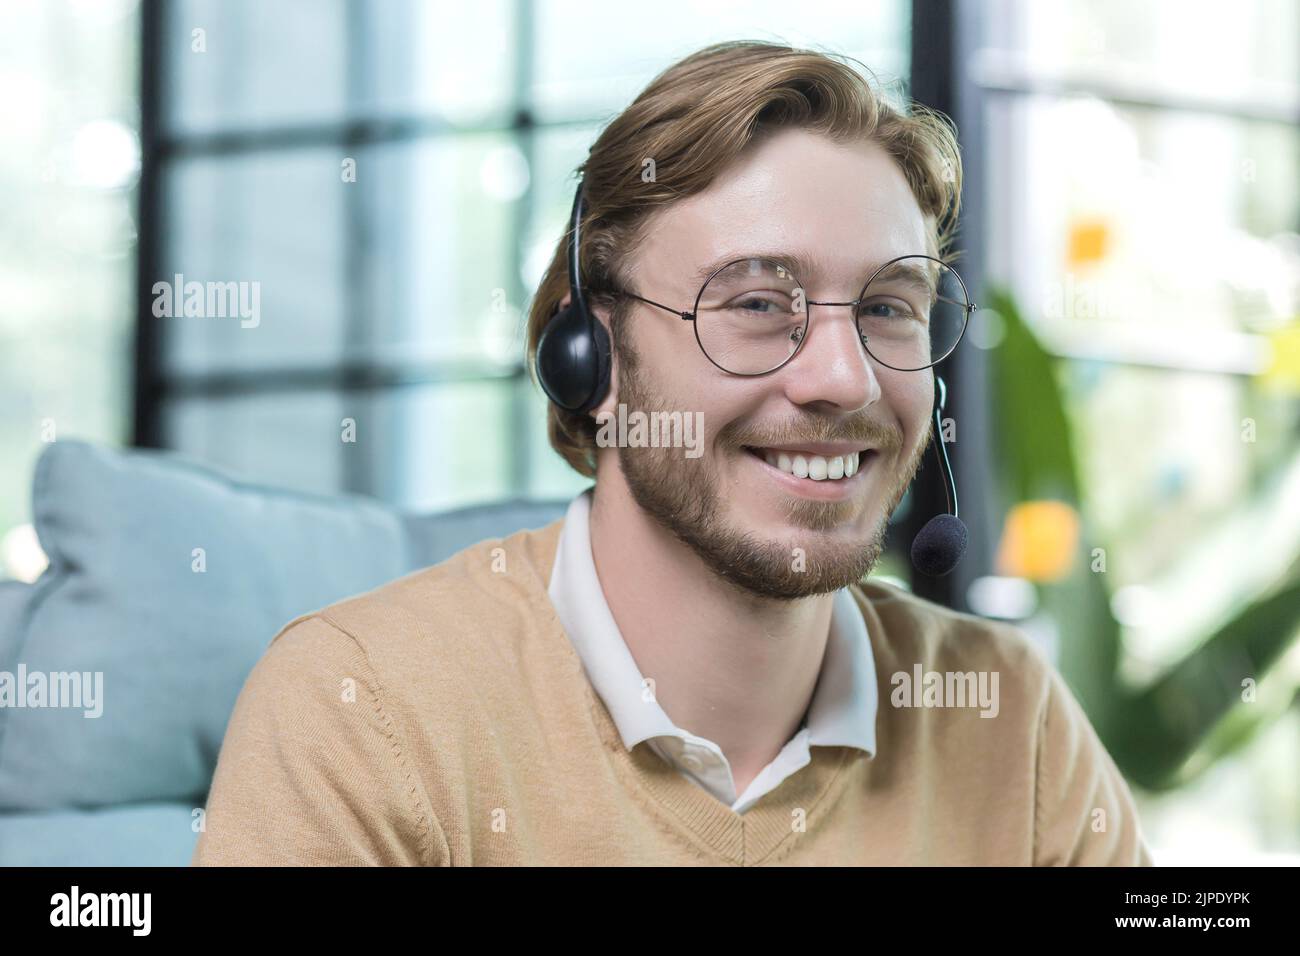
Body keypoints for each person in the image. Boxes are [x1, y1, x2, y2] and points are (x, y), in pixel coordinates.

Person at [193, 40, 1152, 866]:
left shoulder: (1007, 716)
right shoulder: (364, 710)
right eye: (755, 303)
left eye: (887, 309)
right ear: (592, 357)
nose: (844, 379)